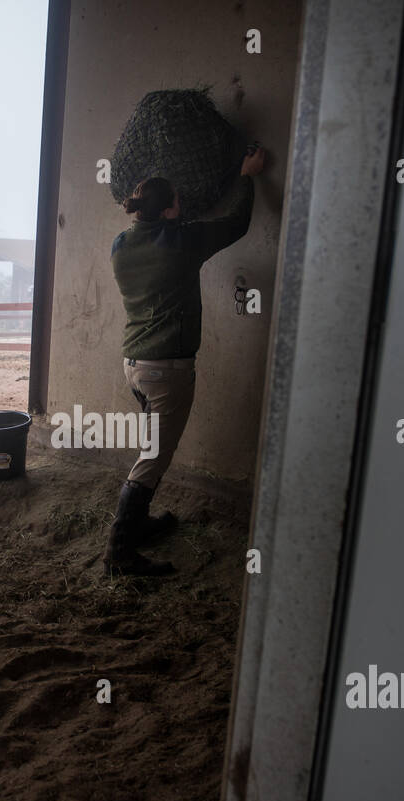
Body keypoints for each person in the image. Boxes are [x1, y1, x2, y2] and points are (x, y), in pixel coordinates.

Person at [103, 145, 268, 575]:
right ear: (172, 211)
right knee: (153, 457)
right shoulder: (182, 242)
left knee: (151, 447)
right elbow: (237, 223)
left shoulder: (121, 245)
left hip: (134, 364)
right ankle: (119, 554)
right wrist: (248, 175)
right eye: (179, 202)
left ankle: (138, 526)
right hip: (166, 371)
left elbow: (160, 230)